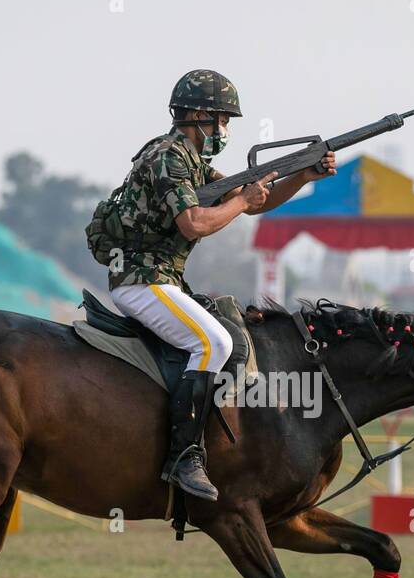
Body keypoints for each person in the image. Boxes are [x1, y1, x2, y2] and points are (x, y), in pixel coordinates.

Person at [106, 69, 336, 501]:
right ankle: (183, 458)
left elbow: (250, 206)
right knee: (214, 344)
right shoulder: (168, 157)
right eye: (222, 120)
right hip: (142, 281)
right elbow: (193, 224)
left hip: (162, 280)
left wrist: (302, 176)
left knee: (226, 335)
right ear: (197, 115)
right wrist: (240, 200)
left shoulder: (193, 162)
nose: (225, 130)